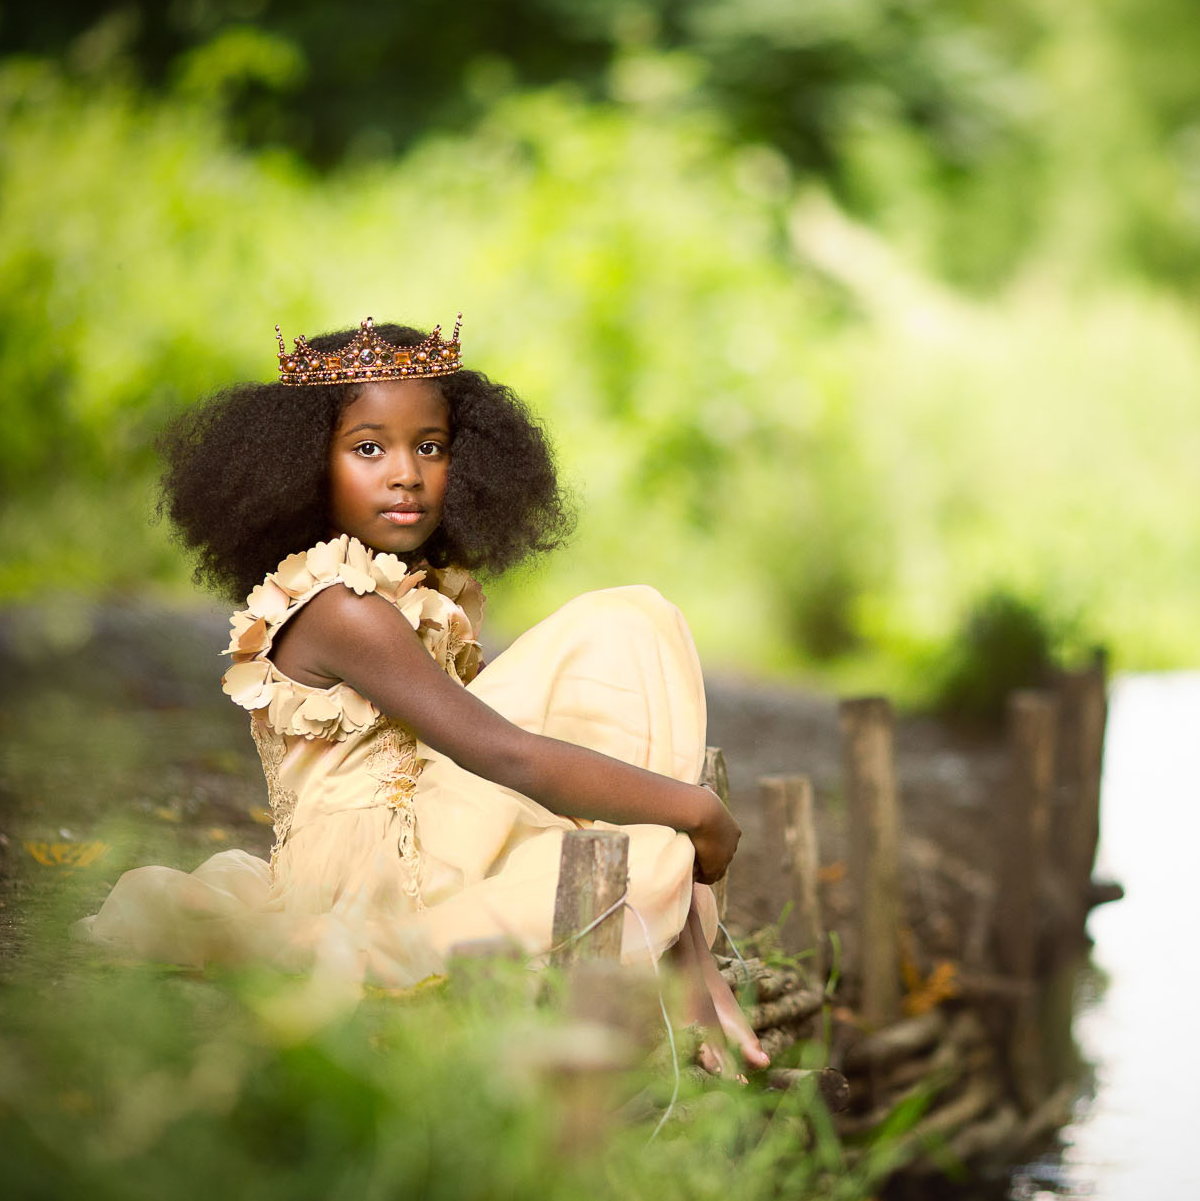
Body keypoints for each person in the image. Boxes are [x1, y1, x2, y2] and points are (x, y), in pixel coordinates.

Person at [77, 316, 767, 1072]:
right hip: (380, 886)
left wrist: (680, 836)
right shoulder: (339, 606)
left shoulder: (410, 592)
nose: (406, 472)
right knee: (627, 628)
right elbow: (506, 753)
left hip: (437, 843)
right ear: (308, 466)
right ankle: (681, 973)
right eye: (368, 447)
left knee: (639, 819)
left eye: (429, 447)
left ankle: (686, 965)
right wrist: (696, 808)